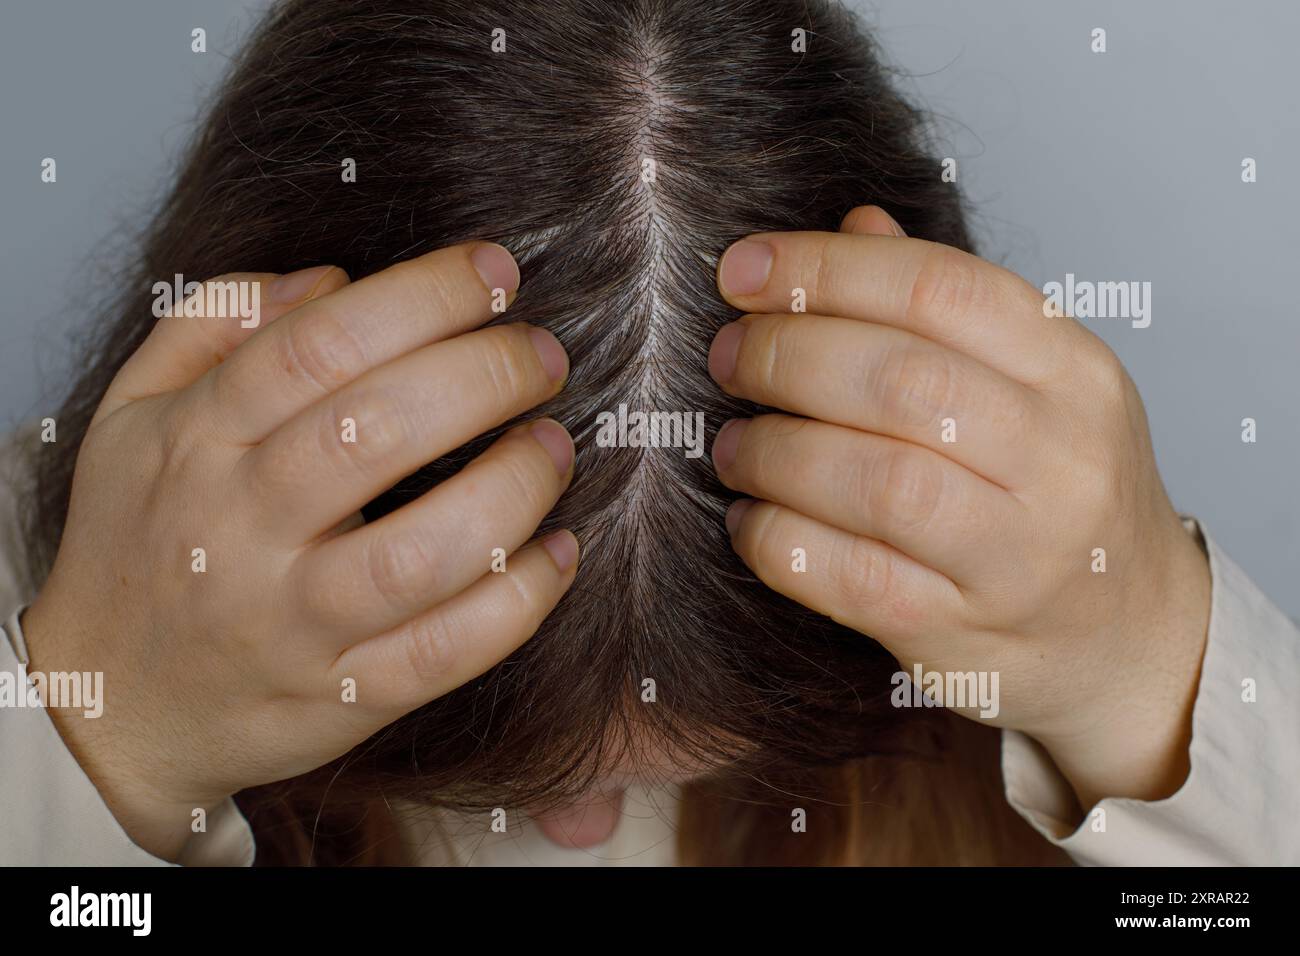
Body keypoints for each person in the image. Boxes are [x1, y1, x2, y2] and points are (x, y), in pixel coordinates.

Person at [1, 0, 1296, 866]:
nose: (578, 831)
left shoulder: (1026, 604)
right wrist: (101, 746)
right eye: (459, 759)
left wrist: (1144, 684)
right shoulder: (75, 621)